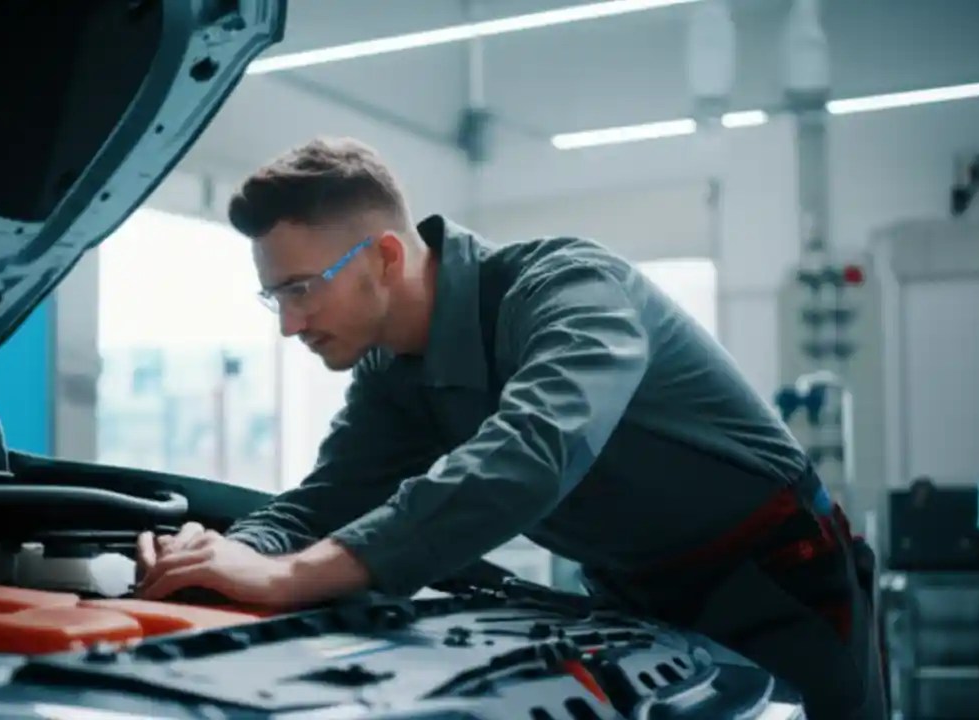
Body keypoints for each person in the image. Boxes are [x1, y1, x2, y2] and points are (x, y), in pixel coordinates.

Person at [134, 137, 886, 719]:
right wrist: (231, 550)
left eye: (300, 289)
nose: (290, 324)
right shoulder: (394, 372)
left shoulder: (571, 288)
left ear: (386, 257)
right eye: (276, 298)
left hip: (775, 578)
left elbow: (531, 451)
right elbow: (327, 499)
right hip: (637, 595)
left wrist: (291, 576)